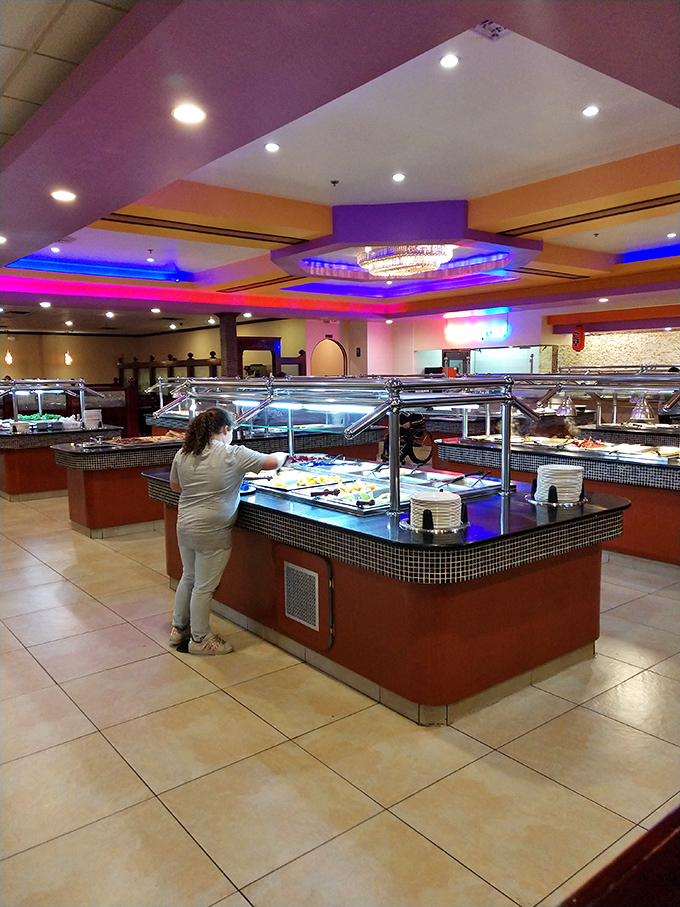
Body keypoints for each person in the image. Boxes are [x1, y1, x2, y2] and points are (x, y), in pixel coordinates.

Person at [168, 407, 288, 655]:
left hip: (185, 525)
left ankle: (179, 628)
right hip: (213, 530)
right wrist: (284, 454)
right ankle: (200, 640)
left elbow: (175, 486)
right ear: (225, 430)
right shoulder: (234, 454)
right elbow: (271, 462)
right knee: (204, 587)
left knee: (188, 577)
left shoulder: (184, 453)